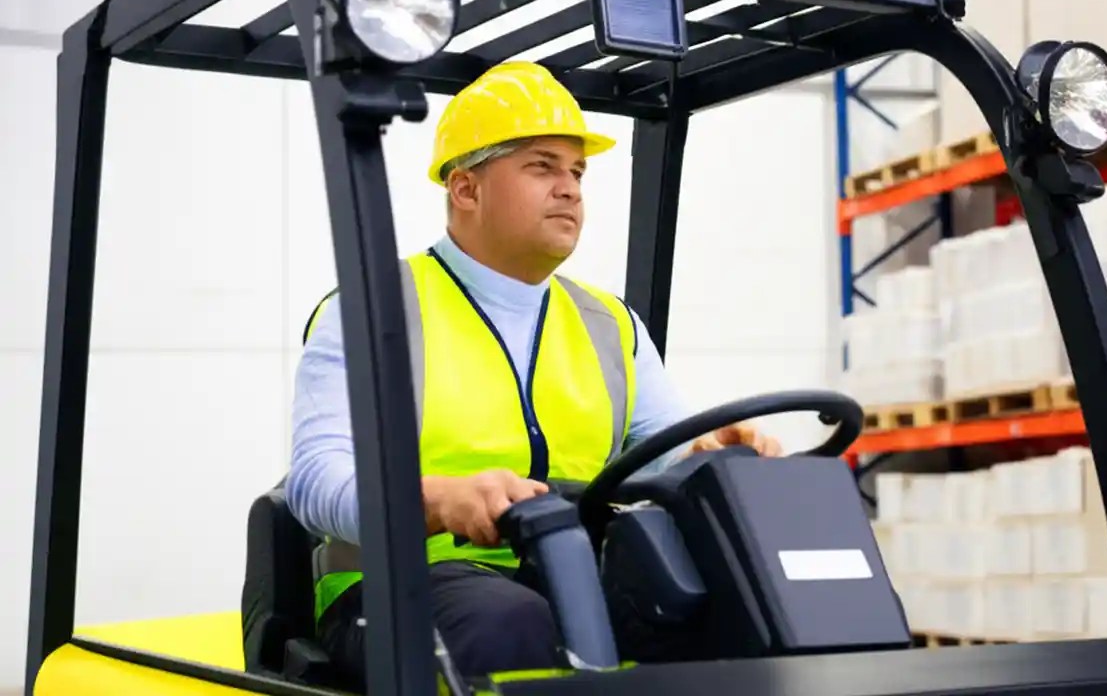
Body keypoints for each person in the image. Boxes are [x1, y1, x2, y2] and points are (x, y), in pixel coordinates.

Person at [285, 60, 783, 689]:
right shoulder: (373, 309)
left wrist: (704, 452)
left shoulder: (610, 322)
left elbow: (660, 454)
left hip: (570, 563)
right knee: (515, 626)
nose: (570, 188)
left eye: (576, 172)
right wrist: (438, 499)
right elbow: (315, 480)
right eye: (542, 166)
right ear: (466, 189)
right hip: (402, 584)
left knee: (738, 599)